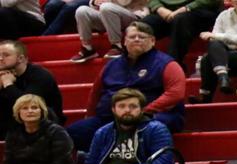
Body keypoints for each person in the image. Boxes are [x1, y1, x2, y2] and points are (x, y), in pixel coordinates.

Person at [64, 21, 184, 150]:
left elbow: (175, 94)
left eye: (142, 37)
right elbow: (96, 93)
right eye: (132, 37)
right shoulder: (111, 65)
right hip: (109, 118)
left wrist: (142, 112)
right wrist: (90, 115)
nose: (137, 39)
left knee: (145, 129)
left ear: (153, 41)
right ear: (125, 42)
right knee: (72, 133)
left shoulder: (167, 64)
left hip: (149, 117)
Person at [0, 40, 62, 136]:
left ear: (20, 58)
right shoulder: (2, 75)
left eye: (6, 55)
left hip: (42, 127)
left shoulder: (41, 75)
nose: (0, 58)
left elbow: (27, 105)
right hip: (10, 125)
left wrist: (8, 84)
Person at [72, 0, 147, 65]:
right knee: (81, 10)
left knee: (106, 7)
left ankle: (117, 46)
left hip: (134, 15)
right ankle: (87, 48)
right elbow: (94, 5)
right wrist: (94, 2)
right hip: (108, 15)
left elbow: (124, 2)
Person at [145, 0, 219, 64]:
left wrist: (186, 8)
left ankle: (171, 65)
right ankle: (143, 65)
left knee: (180, 20)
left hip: (198, 10)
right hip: (167, 11)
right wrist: (159, 8)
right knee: (143, 25)